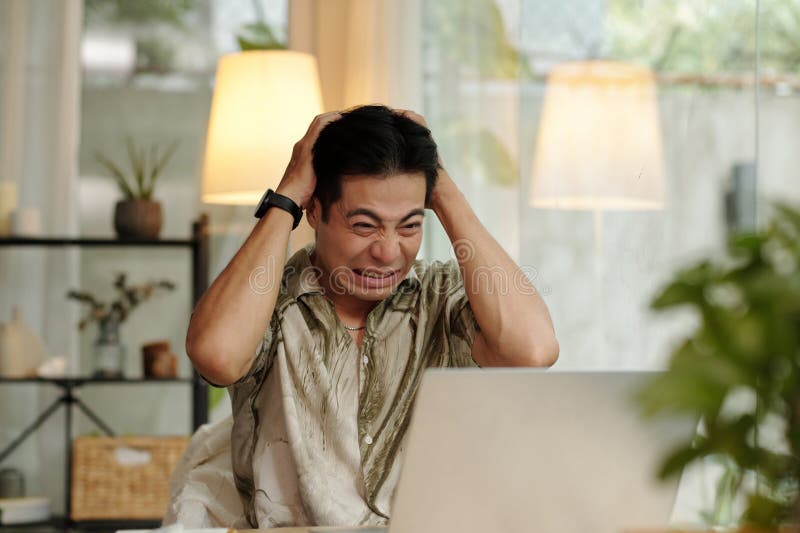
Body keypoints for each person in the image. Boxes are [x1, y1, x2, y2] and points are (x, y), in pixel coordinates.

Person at [185, 105, 559, 528]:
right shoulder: (269, 302)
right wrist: (287, 195)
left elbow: (533, 351)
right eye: (365, 226)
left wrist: (442, 189)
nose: (387, 251)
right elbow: (216, 355)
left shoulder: (441, 300)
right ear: (314, 211)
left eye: (409, 226)